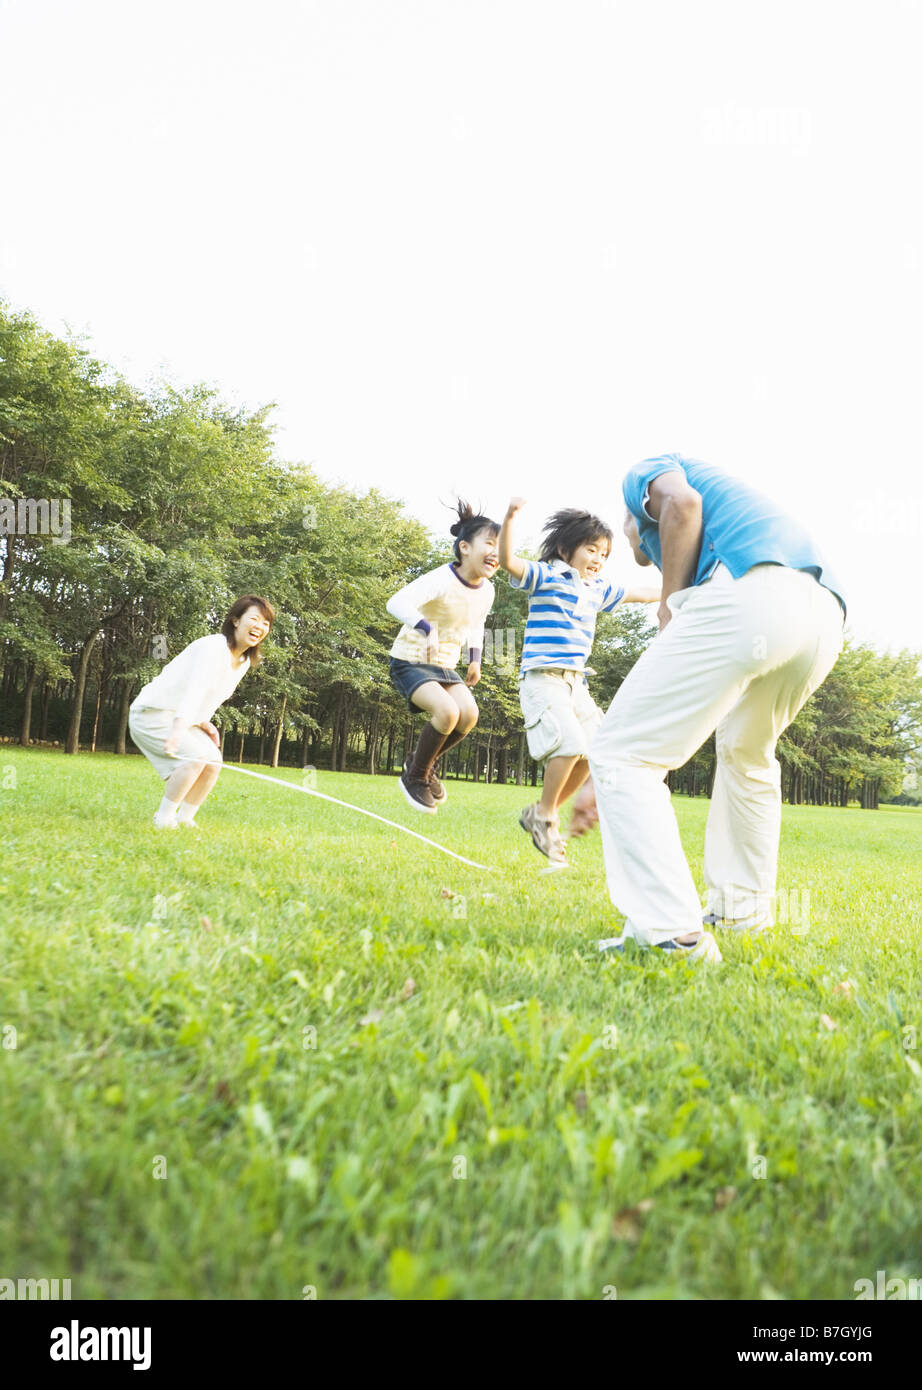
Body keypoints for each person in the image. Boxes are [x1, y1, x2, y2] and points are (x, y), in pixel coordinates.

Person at [571, 454, 846, 963]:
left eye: (640, 545)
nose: (643, 553)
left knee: (623, 754)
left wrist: (668, 606)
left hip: (754, 590)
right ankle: (742, 912)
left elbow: (682, 503)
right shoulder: (728, 516)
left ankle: (674, 938)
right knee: (747, 752)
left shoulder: (647, 473)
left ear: (636, 515)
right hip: (824, 615)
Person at [498, 498, 660, 867]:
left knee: (595, 752)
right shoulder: (547, 576)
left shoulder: (598, 588)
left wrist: (681, 588)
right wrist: (509, 519)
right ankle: (545, 815)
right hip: (544, 680)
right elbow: (509, 562)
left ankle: (542, 811)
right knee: (569, 746)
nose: (598, 559)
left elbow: (640, 594)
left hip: (577, 685)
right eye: (591, 549)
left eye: (604, 553)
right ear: (564, 549)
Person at [387, 501, 499, 813]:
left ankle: (420, 762)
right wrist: (426, 629)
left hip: (446, 666)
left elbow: (477, 622)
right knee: (448, 713)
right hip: (410, 661)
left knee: (469, 715)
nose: (496, 552)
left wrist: (474, 658)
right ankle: (416, 777)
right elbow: (396, 602)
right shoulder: (442, 578)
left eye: (500, 547)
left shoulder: (487, 590)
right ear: (465, 547)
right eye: (489, 543)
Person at [128, 596, 275, 828]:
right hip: (151, 713)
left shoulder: (244, 661)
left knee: (214, 761)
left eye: (266, 623)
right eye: (254, 619)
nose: (260, 627)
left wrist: (203, 722)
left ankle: (185, 818)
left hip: (183, 719)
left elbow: (212, 696)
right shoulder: (215, 646)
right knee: (196, 756)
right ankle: (164, 818)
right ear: (236, 621)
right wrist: (178, 729)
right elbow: (194, 689)